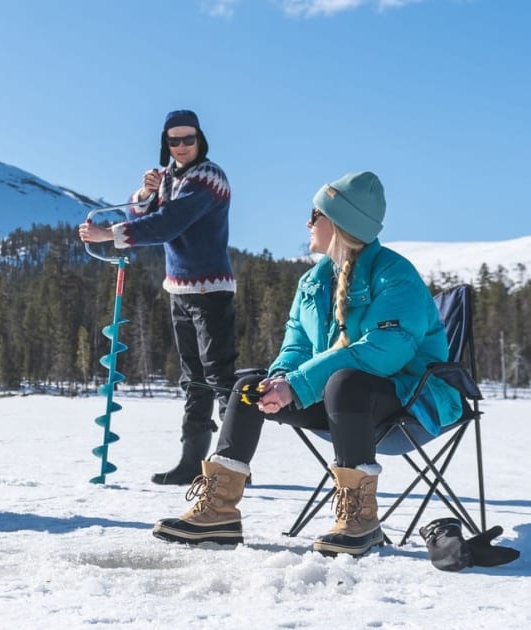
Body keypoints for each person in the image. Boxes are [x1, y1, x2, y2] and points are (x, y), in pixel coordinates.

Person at [151, 171, 463, 556]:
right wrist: (280, 379)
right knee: (249, 385)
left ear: (341, 222)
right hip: (336, 398)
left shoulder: (396, 278)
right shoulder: (313, 283)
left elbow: (384, 352)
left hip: (408, 399)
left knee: (347, 381)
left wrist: (298, 385)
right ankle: (219, 512)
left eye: (315, 214)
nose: (307, 222)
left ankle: (359, 519)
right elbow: (296, 345)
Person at [79, 109, 238, 486]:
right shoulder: (169, 177)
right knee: (193, 377)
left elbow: (168, 223)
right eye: (174, 141)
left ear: (201, 141)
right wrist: (147, 192)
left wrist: (110, 235)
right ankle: (191, 460)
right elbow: (145, 210)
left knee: (219, 376)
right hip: (179, 289)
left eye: (188, 139)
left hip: (211, 288)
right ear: (165, 144)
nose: (181, 146)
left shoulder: (208, 177)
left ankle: (233, 461)